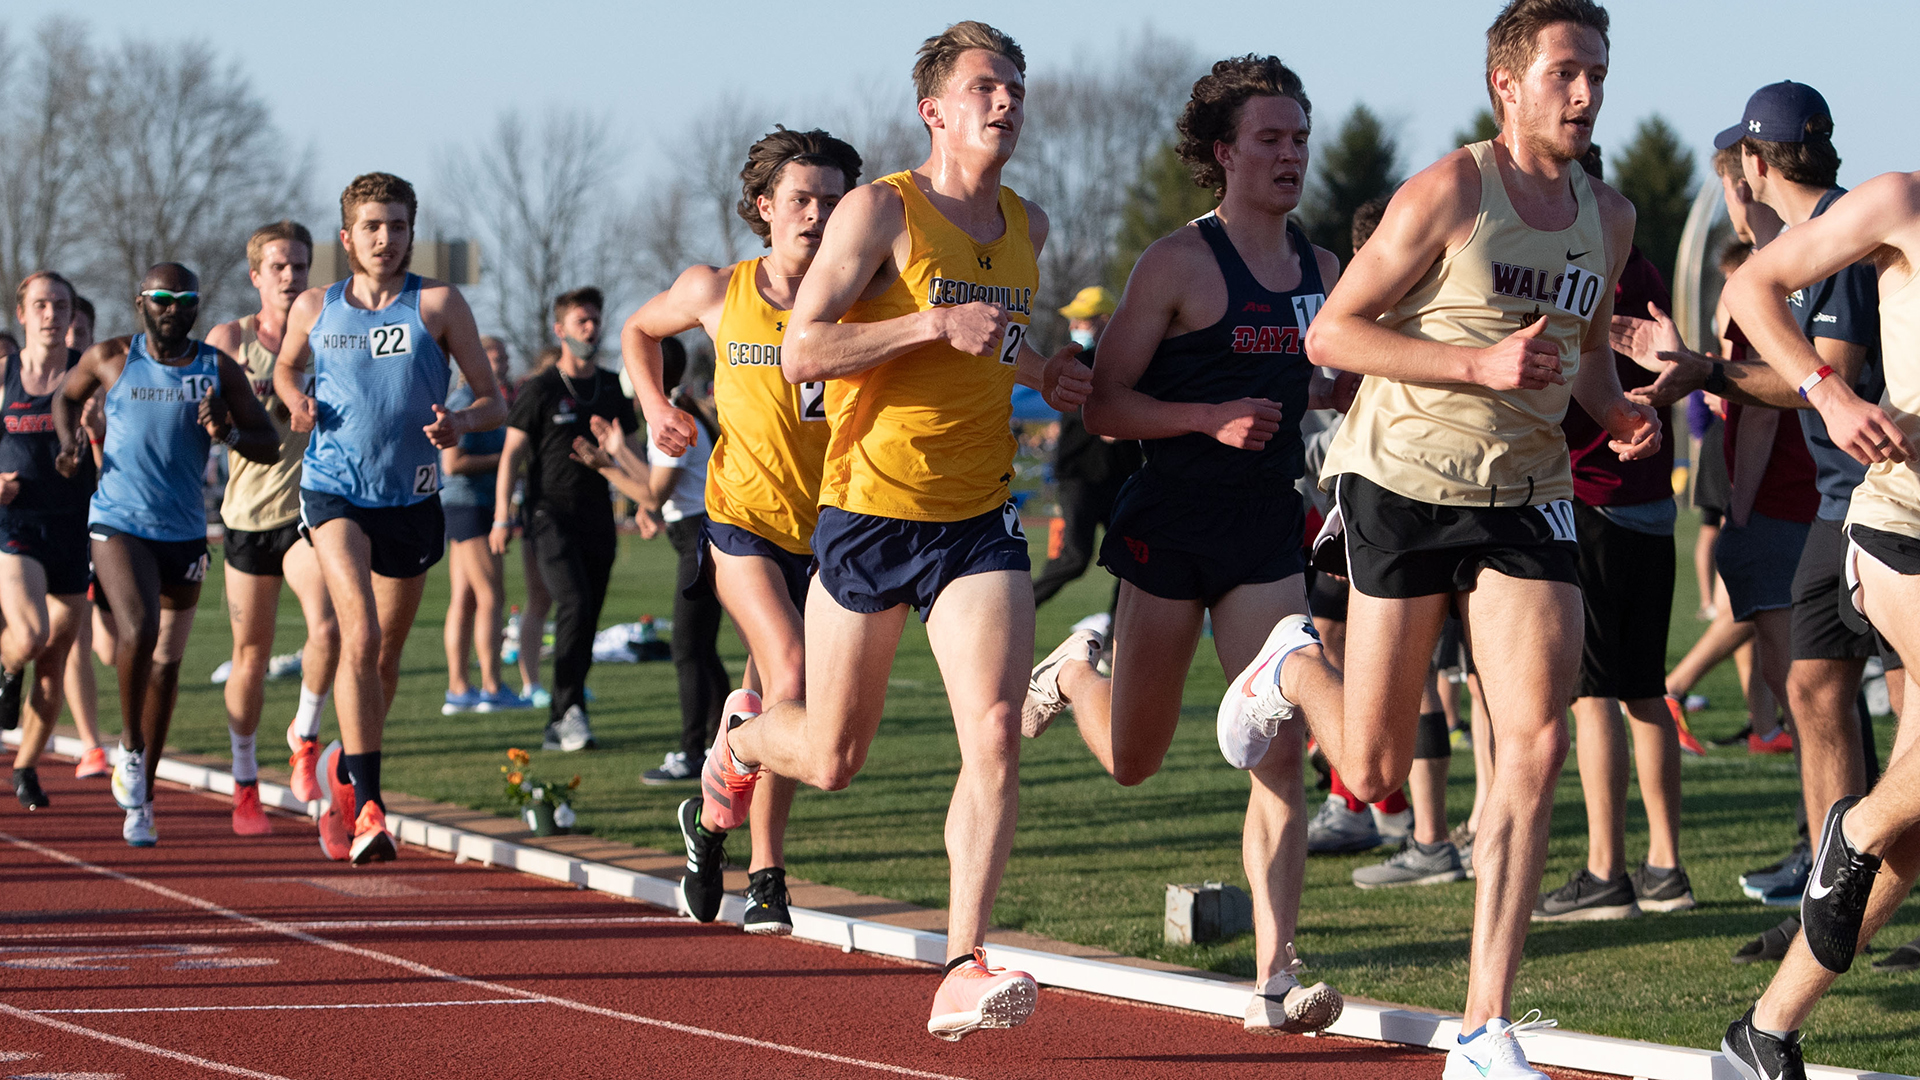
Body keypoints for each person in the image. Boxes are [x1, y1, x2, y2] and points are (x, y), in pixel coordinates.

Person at [1223, 3, 1658, 1075]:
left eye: (1597, 72)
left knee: (1535, 740)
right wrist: (1478, 368)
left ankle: (1484, 1028)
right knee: (1371, 769)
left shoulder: (1611, 212)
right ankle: (1293, 662)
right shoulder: (1451, 191)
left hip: (1529, 490)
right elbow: (1331, 332)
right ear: (1506, 84)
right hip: (1403, 481)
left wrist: (1618, 412)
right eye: (1565, 72)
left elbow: (1584, 346)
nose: (1587, 93)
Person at [689, 22, 1090, 1041]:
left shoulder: (1026, 224)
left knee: (996, 732)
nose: (1006, 100)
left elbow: (1000, 334)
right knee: (831, 758)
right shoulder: (882, 211)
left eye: (1015, 86)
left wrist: (1045, 372)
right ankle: (737, 745)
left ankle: (963, 962)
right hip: (869, 513)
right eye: (984, 86)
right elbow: (800, 352)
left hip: (975, 523)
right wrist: (923, 323)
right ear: (936, 110)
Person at [1024, 55, 1347, 1036]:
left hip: (1262, 534)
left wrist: (1344, 394)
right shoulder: (1177, 262)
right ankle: (1080, 665)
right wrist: (1208, 418)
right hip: (1167, 529)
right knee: (1133, 760)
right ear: (1223, 152)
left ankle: (1278, 972)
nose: (1290, 155)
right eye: (1270, 140)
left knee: (1279, 751)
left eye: (1299, 138)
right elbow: (1108, 408)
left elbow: (1333, 381)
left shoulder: (1325, 272)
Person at [619, 127, 861, 938]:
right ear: (766, 208)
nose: (818, 216)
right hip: (741, 521)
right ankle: (756, 850)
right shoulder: (719, 289)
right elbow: (638, 333)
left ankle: (732, 843)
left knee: (779, 704)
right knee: (789, 676)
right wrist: (657, 410)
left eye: (834, 202)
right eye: (803, 200)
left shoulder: (867, 296)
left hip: (829, 528)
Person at [1715, 168, 1920, 1080]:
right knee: (1889, 822)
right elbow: (1747, 287)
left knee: (1909, 835)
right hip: (1900, 526)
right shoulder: (1900, 204)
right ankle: (1851, 832)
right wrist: (1826, 392)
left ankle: (1766, 1030)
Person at [275, 172, 506, 864]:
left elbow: (495, 400)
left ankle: (349, 770)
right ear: (347, 237)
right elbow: (287, 369)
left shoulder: (436, 304)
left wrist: (460, 419)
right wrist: (295, 399)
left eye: (398, 226)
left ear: (411, 231)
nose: (385, 238)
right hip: (333, 491)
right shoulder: (315, 306)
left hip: (411, 497)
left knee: (383, 658)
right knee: (359, 629)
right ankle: (373, 808)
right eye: (372, 226)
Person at [52, 262, 280, 846]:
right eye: (161, 297)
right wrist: (70, 440)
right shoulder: (111, 357)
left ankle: (142, 801)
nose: (172, 306)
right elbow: (65, 396)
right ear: (141, 303)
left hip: (182, 531)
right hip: (117, 521)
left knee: (166, 668)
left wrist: (226, 433)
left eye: (184, 298)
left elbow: (268, 443)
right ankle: (129, 747)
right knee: (138, 627)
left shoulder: (215, 367)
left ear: (196, 308)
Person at [1532, 142, 1695, 921]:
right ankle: (1665, 865)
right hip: (1650, 499)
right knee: (1644, 688)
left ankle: (1606, 872)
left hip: (1590, 494)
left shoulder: (1565, 257)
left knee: (1593, 695)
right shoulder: (1643, 262)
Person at [202, 221, 341, 835]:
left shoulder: (333, 332)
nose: (291, 278)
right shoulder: (230, 340)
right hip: (247, 516)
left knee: (330, 626)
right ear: (256, 274)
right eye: (279, 268)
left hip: (308, 510)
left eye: (301, 267)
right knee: (249, 657)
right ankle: (244, 779)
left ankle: (304, 737)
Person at [490, 288, 633, 753]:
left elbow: (632, 455)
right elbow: (511, 454)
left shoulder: (611, 387)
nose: (590, 329)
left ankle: (562, 716)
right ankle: (568, 711)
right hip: (548, 515)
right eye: (581, 322)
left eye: (595, 320)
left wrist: (647, 504)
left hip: (598, 516)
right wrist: (500, 517)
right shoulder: (540, 388)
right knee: (571, 602)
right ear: (561, 330)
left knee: (588, 616)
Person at [4, 272, 95, 811]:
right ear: (22, 314)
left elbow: (112, 452)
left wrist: (100, 429)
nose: (51, 314)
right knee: (32, 634)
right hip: (16, 526)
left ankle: (25, 766)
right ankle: (7, 666)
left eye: (60, 305)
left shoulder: (88, 377)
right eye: (40, 304)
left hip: (74, 528)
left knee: (55, 658)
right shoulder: (4, 375)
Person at [1030, 285, 1138, 608]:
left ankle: (1113, 640)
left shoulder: (1133, 356)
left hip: (1120, 475)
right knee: (1074, 557)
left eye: (1082, 319)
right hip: (1079, 475)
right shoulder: (1075, 358)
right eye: (1073, 320)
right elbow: (1072, 400)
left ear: (1105, 320)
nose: (1074, 326)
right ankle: (1018, 611)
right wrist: (1103, 417)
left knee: (1136, 560)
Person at [440, 336, 521, 714]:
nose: (501, 360)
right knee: (491, 596)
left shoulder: (487, 401)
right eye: (493, 355)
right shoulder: (463, 403)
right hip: (469, 505)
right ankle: (491, 686)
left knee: (466, 599)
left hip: (471, 505)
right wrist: (505, 460)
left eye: (503, 354)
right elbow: (452, 463)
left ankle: (459, 690)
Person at [55, 293, 111, 782]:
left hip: (105, 526)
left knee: (112, 651)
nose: (70, 341)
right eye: (65, 332)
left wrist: (96, 435)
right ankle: (92, 745)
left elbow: (112, 473)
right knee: (74, 638)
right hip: (50, 527)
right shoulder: (34, 387)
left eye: (80, 334)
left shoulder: (110, 389)